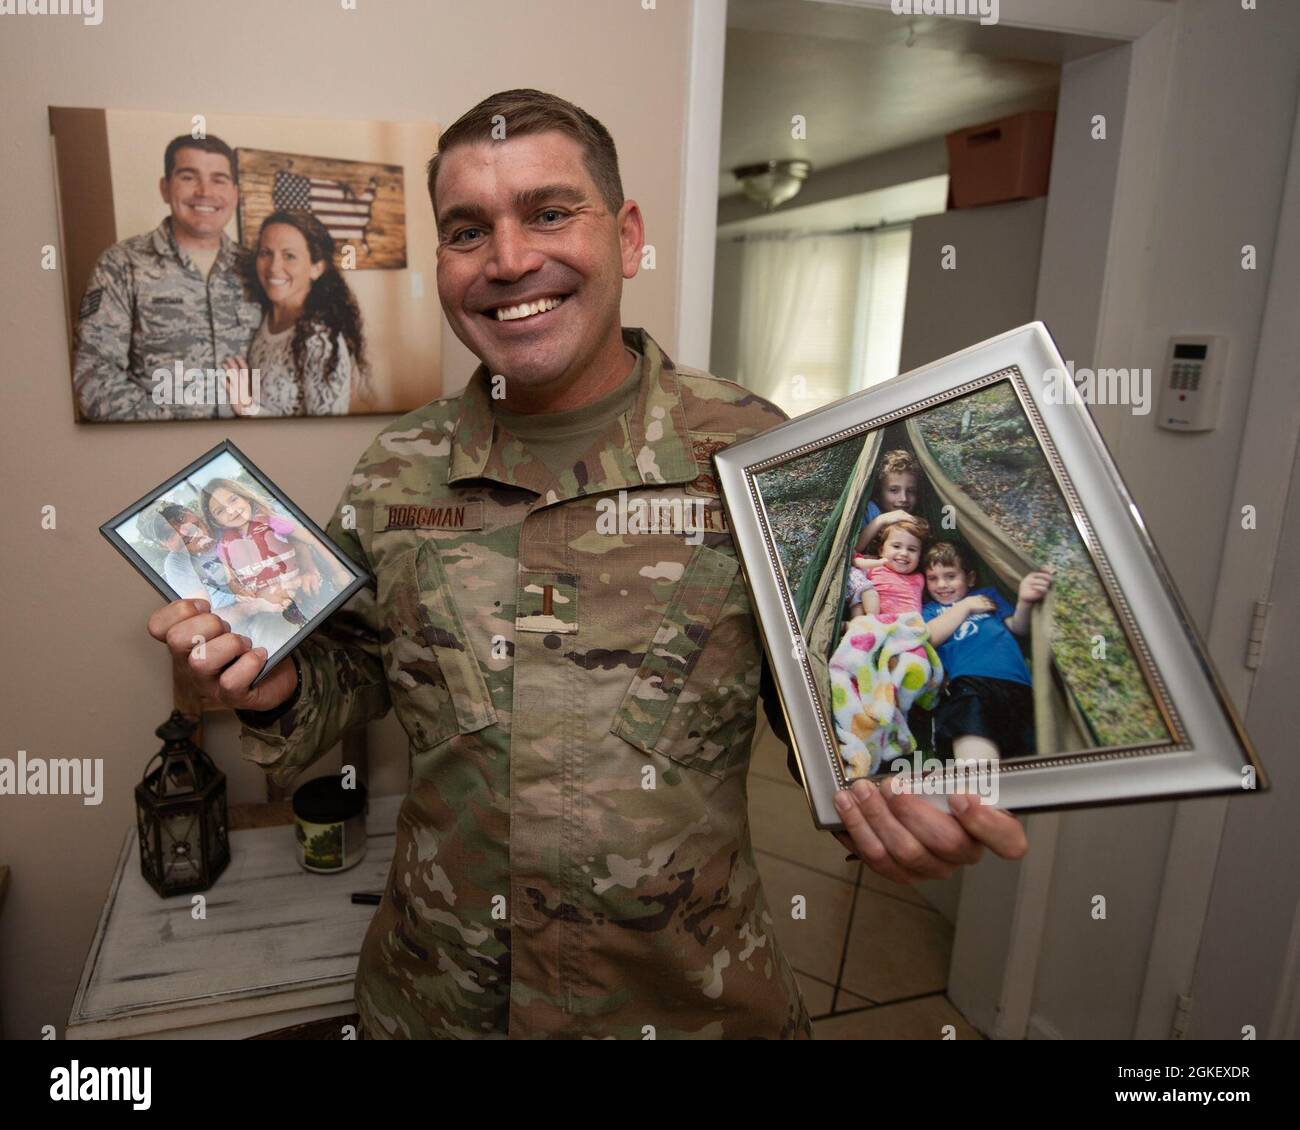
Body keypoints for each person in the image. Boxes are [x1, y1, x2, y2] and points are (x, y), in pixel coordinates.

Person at [146, 89, 1028, 1040]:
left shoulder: (759, 453)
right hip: (440, 1003)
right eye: (468, 230)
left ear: (630, 236)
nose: (512, 259)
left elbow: (834, 695)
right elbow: (356, 665)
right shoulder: (397, 468)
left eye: (551, 212)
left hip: (685, 1002)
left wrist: (896, 784)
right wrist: (277, 686)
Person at [71, 134, 263, 422]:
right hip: (156, 451)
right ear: (165, 188)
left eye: (219, 179)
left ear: (235, 194)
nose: (204, 191)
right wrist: (168, 430)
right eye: (189, 177)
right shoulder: (121, 264)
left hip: (253, 443)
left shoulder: (259, 269)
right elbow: (93, 373)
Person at [223, 209, 367, 417]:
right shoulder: (260, 317)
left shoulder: (320, 341)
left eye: (289, 256)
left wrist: (248, 408)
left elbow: (326, 437)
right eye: (266, 253)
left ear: (316, 268)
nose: (274, 267)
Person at [830, 517, 944, 778]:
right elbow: (849, 555)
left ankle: (894, 715)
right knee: (860, 668)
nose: (903, 554)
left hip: (906, 634)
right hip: (876, 631)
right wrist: (881, 522)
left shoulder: (920, 578)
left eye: (912, 549)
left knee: (916, 667)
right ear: (881, 549)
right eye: (896, 546)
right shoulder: (874, 568)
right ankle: (870, 721)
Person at [922, 541, 1055, 765]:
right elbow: (930, 637)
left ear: (970, 578)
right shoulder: (931, 610)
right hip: (968, 687)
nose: (941, 584)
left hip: (1018, 687)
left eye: (950, 576)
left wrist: (1024, 600)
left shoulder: (987, 596)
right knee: (980, 773)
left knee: (1027, 765)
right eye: (933, 578)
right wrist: (964, 607)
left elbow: (1017, 628)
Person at [853, 448, 922, 559]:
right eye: (894, 490)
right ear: (879, 491)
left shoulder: (913, 520)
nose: (904, 498)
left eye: (911, 491)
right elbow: (853, 549)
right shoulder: (870, 511)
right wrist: (881, 520)